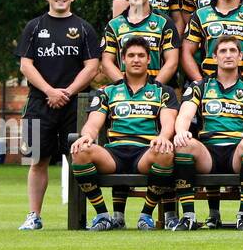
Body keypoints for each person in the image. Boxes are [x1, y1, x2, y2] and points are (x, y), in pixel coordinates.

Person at [17, 0, 101, 231]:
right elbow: (25, 64)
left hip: (76, 105)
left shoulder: (84, 28)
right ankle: (34, 215)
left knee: (79, 159)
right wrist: (49, 91)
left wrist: (67, 92)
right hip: (38, 103)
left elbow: (92, 66)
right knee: (37, 161)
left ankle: (84, 218)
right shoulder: (34, 27)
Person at [68, 38, 176, 231]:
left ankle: (146, 215)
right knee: (80, 151)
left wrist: (163, 137)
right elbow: (93, 123)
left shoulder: (163, 92)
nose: (136, 60)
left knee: (165, 153)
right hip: (114, 154)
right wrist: (87, 136)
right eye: (131, 56)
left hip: (145, 152)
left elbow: (169, 124)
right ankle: (102, 216)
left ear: (148, 60)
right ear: (123, 60)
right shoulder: (107, 92)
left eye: (141, 55)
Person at [170, 35, 243, 230]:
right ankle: (188, 217)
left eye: (232, 51)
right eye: (223, 51)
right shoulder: (200, 86)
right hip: (208, 152)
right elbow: (184, 115)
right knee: (183, 144)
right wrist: (180, 131)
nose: (228, 55)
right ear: (214, 57)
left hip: (237, 150)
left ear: (240, 57)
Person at [101, 0, 179, 86]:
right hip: (125, 94)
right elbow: (106, 62)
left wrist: (154, 88)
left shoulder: (164, 23)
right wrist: (124, 87)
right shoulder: (114, 25)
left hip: (156, 92)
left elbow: (172, 62)